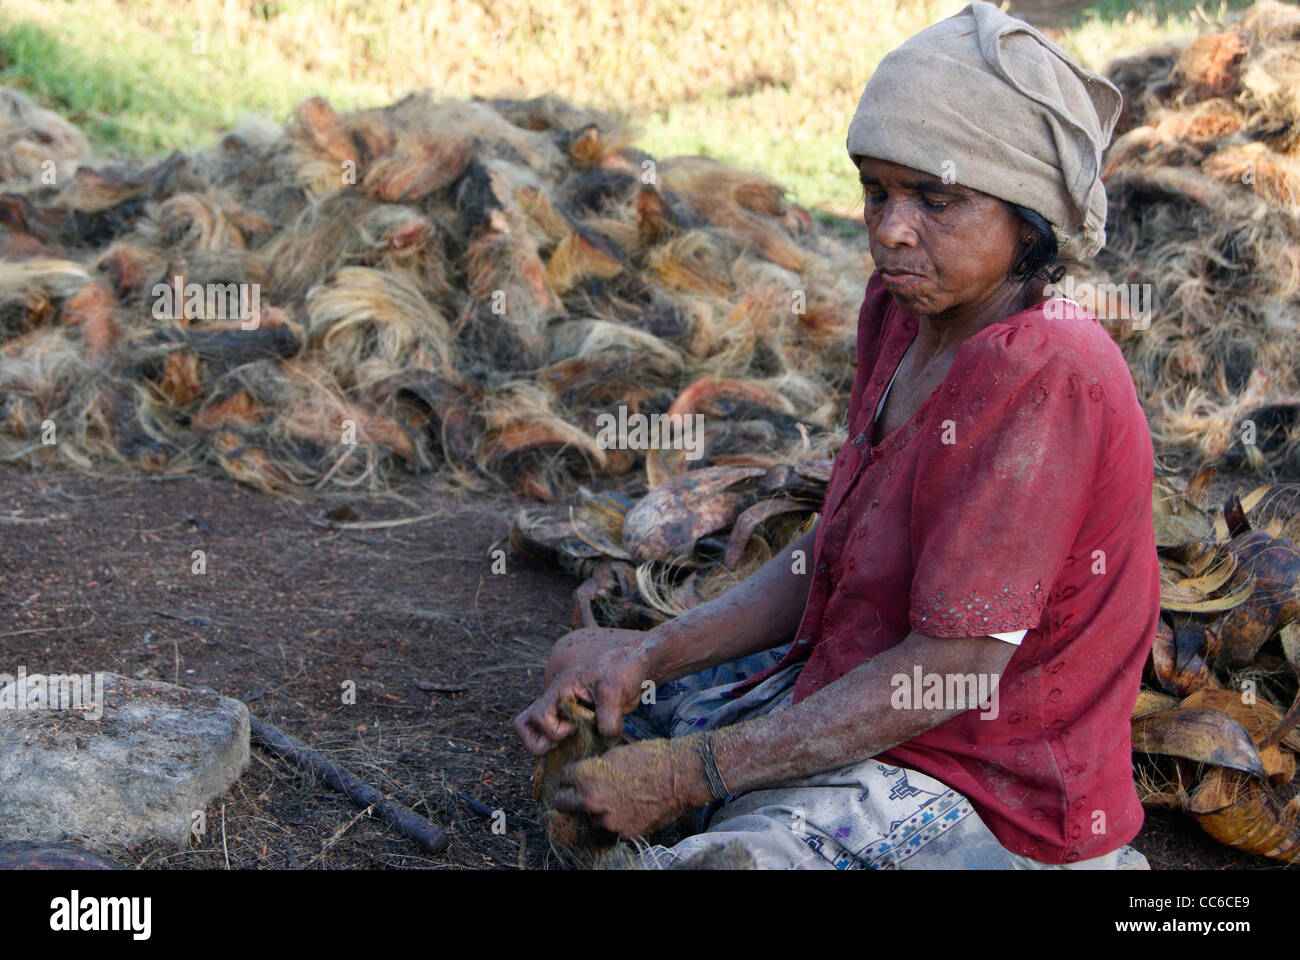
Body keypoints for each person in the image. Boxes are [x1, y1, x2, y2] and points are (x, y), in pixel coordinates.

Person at [515, 1, 1162, 869]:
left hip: (985, 775)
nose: (891, 228)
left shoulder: (1044, 369)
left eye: (937, 199)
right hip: (858, 688)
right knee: (586, 669)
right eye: (876, 191)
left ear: (1028, 223)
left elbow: (955, 669)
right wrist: (651, 651)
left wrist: (688, 773)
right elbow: (834, 550)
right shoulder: (904, 313)